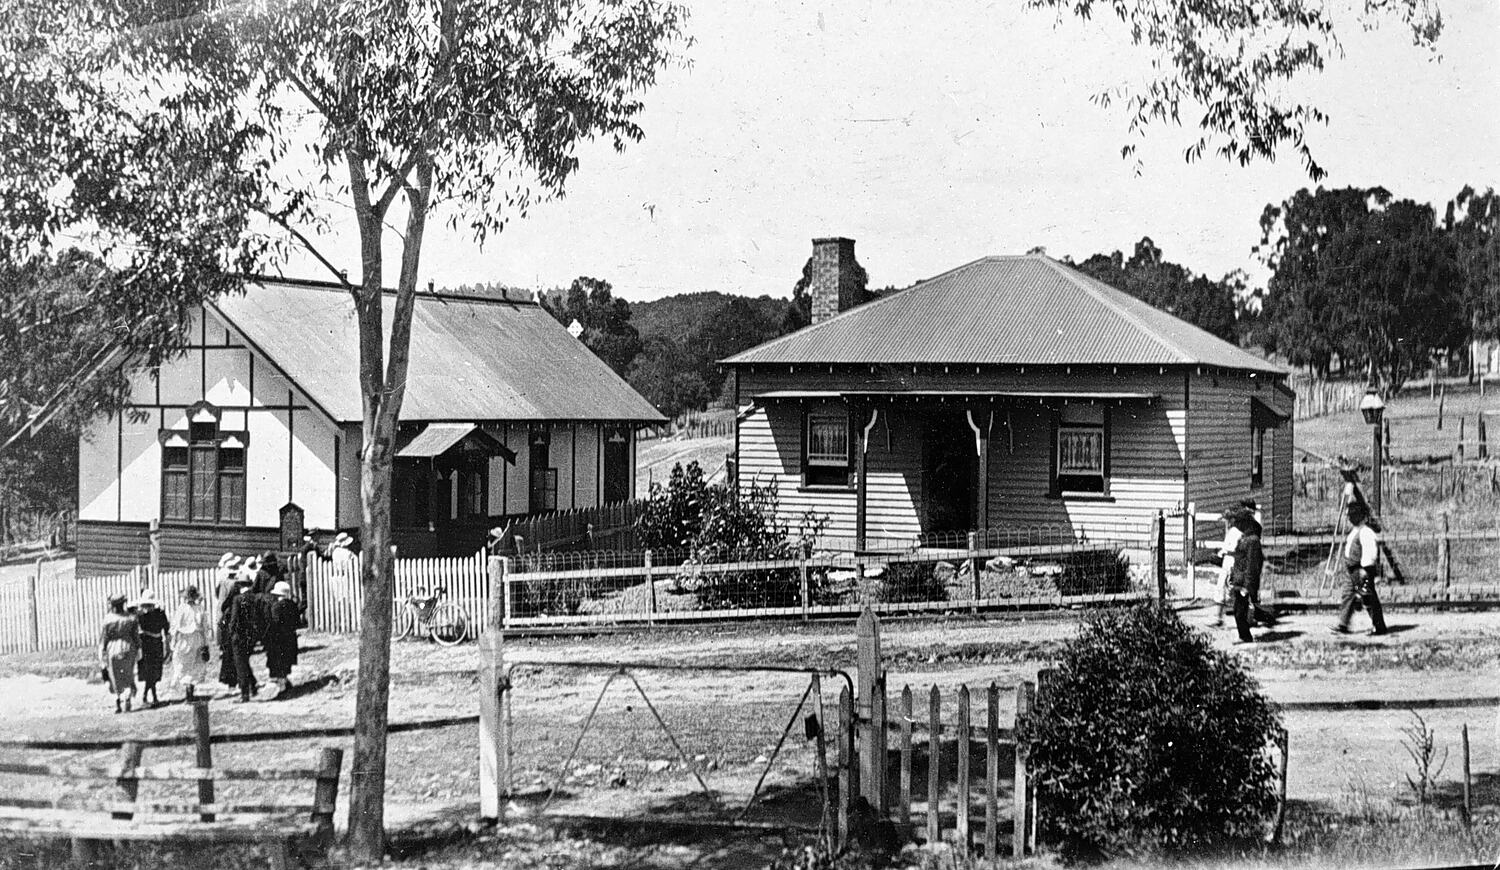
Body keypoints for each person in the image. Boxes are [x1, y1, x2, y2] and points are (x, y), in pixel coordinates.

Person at [1333, 501, 1389, 636]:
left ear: (1361, 516)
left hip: (1361, 570)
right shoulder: (1355, 531)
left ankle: (1379, 626)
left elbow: (1369, 553)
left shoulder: (1366, 532)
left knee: (1368, 598)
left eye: (1353, 515)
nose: (1350, 518)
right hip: (1351, 570)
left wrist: (1366, 570)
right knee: (1347, 595)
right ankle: (1343, 624)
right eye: (1349, 516)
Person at [224, 576, 267, 702]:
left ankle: (244, 694)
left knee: (240, 664)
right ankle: (253, 686)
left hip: (239, 636)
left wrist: (232, 633)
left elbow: (234, 619)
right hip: (252, 636)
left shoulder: (238, 599)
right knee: (244, 661)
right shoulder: (255, 598)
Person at [169, 585, 213, 701]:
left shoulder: (182, 608)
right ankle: (190, 689)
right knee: (191, 663)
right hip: (195, 638)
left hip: (186, 639)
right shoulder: (199, 608)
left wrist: (174, 640)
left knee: (186, 663)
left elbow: (176, 627)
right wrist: (205, 643)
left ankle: (189, 691)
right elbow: (204, 627)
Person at [98, 594, 140, 714]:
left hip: (113, 648)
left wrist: (102, 650)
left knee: (114, 675)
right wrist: (139, 648)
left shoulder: (108, 619)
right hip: (128, 646)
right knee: (128, 673)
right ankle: (127, 696)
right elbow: (135, 636)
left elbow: (104, 637)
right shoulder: (131, 618)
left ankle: (118, 699)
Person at [1227, 511, 1265, 644]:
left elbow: (1252, 565)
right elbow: (1240, 561)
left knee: (1239, 611)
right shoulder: (1245, 539)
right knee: (1238, 610)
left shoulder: (1252, 541)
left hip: (1244, 582)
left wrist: (1247, 586)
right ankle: (1245, 636)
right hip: (1239, 580)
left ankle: (1246, 637)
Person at [133, 590, 170, 708]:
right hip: (146, 645)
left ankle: (146, 695)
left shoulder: (160, 613)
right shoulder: (139, 615)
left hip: (156, 644)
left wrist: (167, 646)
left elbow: (166, 630)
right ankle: (153, 696)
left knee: (154, 671)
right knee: (149, 671)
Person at [265, 581, 300, 694]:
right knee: (286, 661)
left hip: (278, 638)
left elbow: (274, 623)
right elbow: (297, 622)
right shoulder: (292, 604)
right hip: (290, 637)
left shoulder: (276, 606)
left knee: (278, 661)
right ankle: (285, 682)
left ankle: (282, 686)